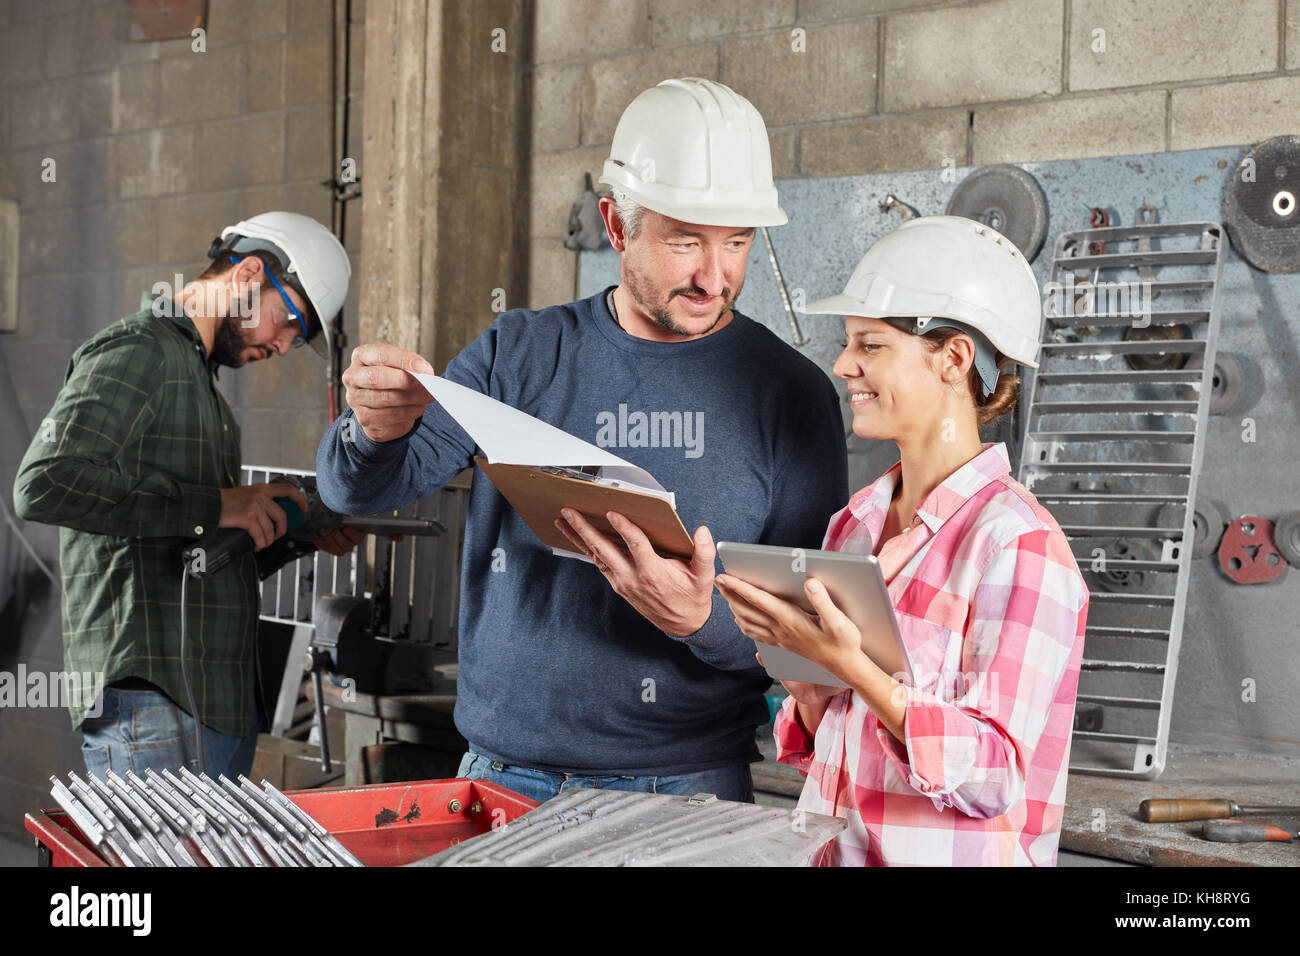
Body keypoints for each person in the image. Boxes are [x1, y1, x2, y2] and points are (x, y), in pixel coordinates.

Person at [315, 78, 848, 803]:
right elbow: (358, 492)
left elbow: (809, 643)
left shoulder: (792, 397)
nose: (713, 276)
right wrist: (373, 430)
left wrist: (702, 620)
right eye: (685, 240)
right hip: (504, 779)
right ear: (617, 224)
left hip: (690, 792)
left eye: (737, 242)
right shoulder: (520, 352)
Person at [716, 215, 1089, 864]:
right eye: (847, 342)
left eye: (871, 344)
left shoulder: (1018, 546)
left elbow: (994, 775)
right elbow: (832, 755)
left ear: (953, 358)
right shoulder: (855, 524)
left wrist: (851, 668)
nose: (842, 364)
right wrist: (809, 691)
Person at [14, 211, 365, 780]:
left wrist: (295, 534)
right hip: (153, 698)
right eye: (289, 322)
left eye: (295, 340)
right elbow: (43, 484)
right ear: (250, 275)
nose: (282, 346)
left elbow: (193, 557)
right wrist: (220, 504)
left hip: (216, 705)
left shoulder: (208, 397)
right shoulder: (141, 351)